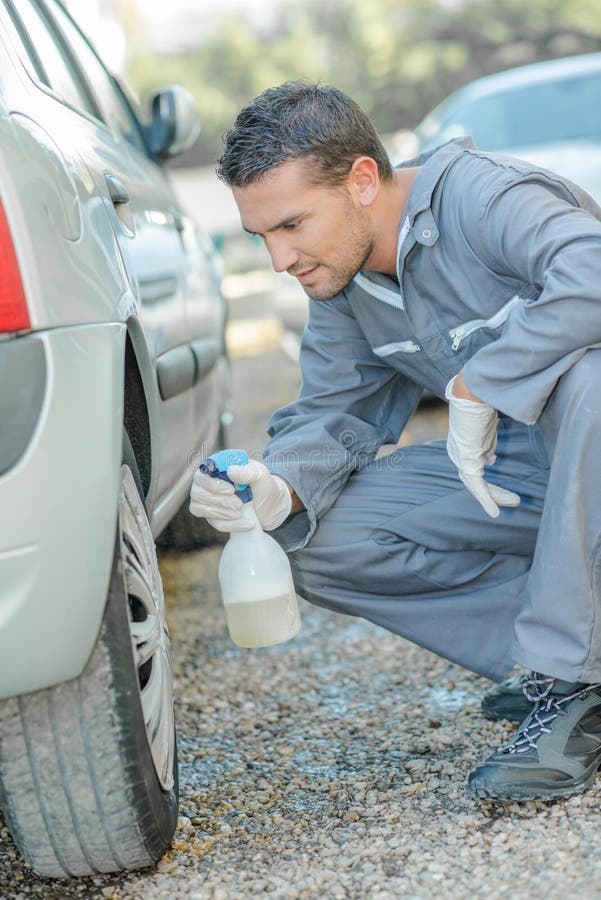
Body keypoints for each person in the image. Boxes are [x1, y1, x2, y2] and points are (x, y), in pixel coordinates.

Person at [190, 80, 601, 802]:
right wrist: (274, 487)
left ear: (361, 180)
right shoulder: (343, 285)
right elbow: (329, 411)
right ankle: (562, 664)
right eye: (262, 236)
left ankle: (574, 681)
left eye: (291, 225)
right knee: (312, 533)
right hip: (532, 480)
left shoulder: (483, 198)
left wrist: (480, 382)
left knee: (591, 382)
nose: (278, 261)